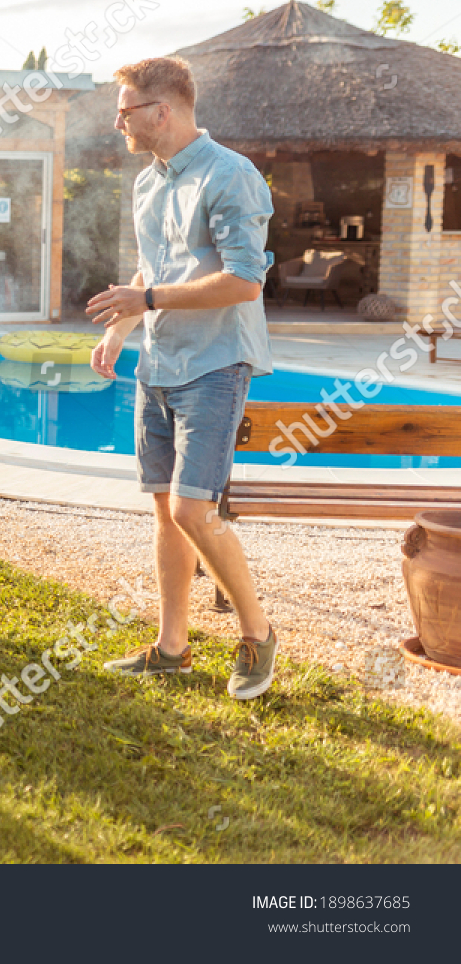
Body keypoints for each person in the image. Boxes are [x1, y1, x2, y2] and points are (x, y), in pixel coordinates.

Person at [87, 55, 278, 701]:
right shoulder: (148, 183)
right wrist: (120, 328)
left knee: (193, 507)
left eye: (125, 111)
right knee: (166, 513)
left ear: (160, 111)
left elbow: (244, 281)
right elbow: (149, 271)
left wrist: (147, 303)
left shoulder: (232, 176)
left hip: (215, 363)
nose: (118, 122)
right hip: (159, 364)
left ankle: (257, 633)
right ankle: (172, 647)